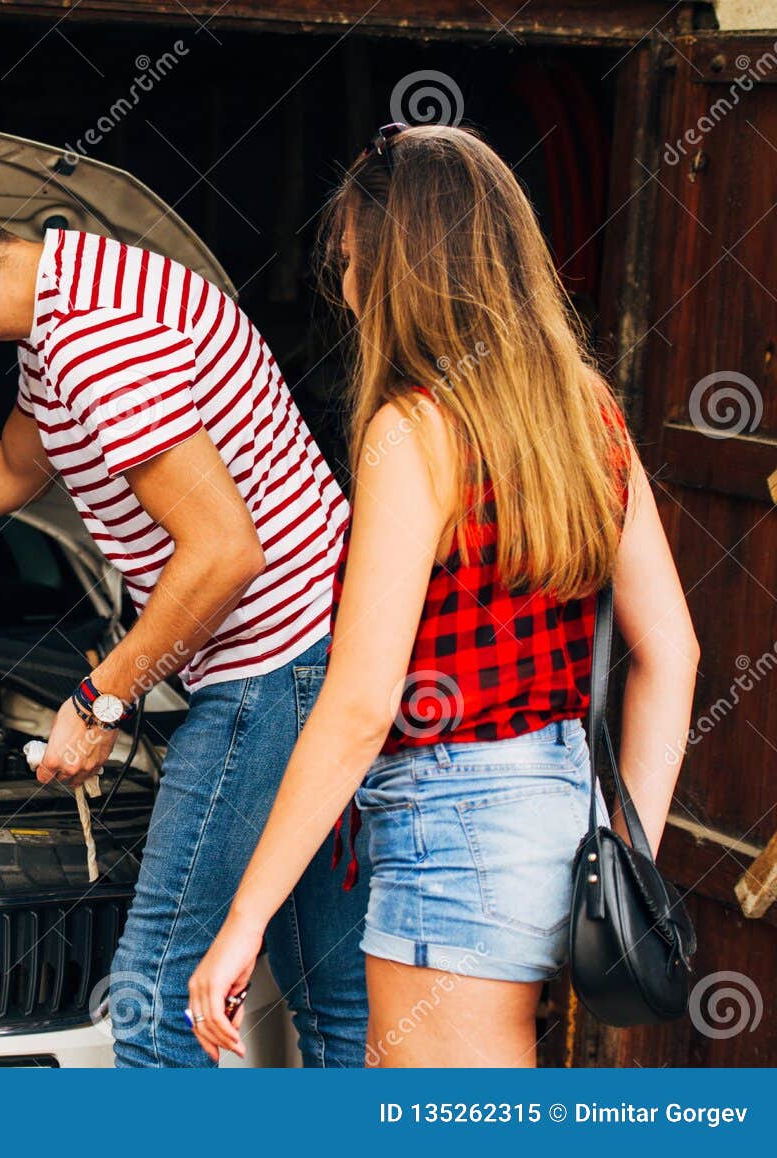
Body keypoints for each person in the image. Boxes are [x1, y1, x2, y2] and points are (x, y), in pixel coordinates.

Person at [0, 176, 368, 1067]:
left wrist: (101, 699)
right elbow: (12, 470)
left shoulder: (96, 343)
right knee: (332, 993)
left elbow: (224, 552)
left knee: (158, 998)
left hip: (269, 672)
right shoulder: (78, 296)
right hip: (315, 657)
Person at [188, 124, 698, 1067]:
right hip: (560, 812)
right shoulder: (587, 413)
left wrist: (245, 918)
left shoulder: (414, 431)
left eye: (348, 260)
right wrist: (627, 853)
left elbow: (359, 705)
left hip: (457, 819)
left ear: (395, 272)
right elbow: (674, 652)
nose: (340, 284)